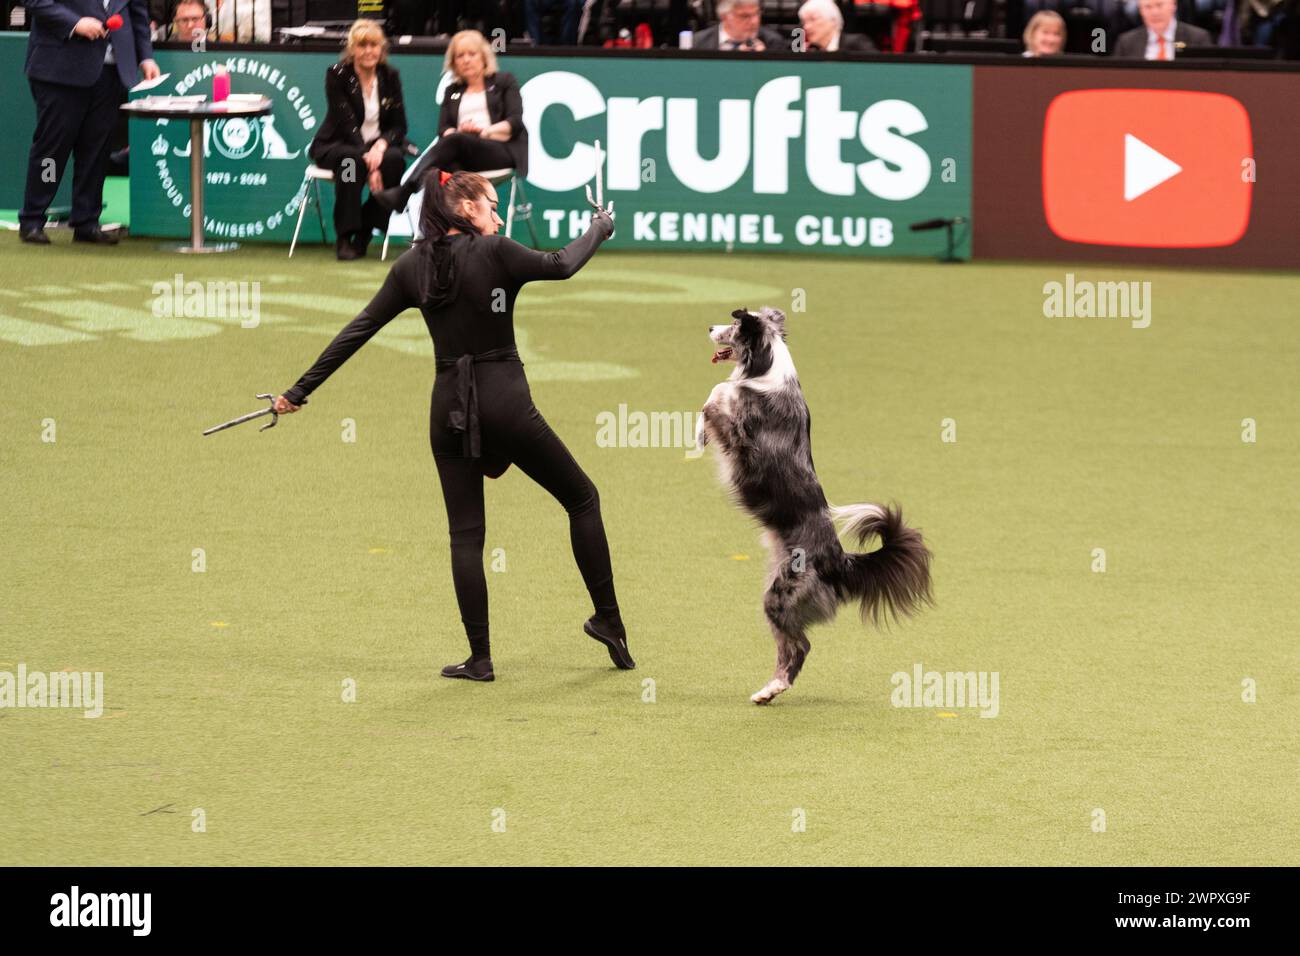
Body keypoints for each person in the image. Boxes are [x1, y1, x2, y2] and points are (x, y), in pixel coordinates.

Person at [275, 169, 633, 682]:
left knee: (466, 536)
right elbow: (562, 264)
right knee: (582, 499)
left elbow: (359, 329)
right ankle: (609, 620)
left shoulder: (411, 265)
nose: (498, 213)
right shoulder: (497, 252)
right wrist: (600, 226)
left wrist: (298, 391)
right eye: (491, 204)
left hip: (449, 412)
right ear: (465, 209)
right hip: (505, 403)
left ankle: (480, 658)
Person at [19, 0, 160, 245]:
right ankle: (33, 218)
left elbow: (137, 13)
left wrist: (145, 57)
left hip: (111, 73)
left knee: (96, 151)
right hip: (59, 68)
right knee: (52, 152)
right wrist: (75, 23)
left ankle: (86, 221)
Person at [374, 30, 528, 215]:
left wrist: (482, 131)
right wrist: (460, 130)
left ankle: (405, 192)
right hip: (464, 153)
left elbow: (515, 122)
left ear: (484, 57)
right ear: (453, 62)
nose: (466, 60)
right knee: (449, 168)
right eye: (460, 56)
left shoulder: (504, 81)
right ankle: (451, 236)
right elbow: (444, 130)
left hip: (500, 150)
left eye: (472, 54)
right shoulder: (452, 90)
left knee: (455, 142)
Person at [309, 19, 409, 260]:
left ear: (381, 49)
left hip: (377, 146)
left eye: (374, 45)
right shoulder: (337, 75)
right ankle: (345, 236)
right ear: (352, 49)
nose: (368, 51)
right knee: (351, 163)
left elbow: (398, 125)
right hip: (337, 144)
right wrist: (369, 159)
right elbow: (346, 124)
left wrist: (381, 146)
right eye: (362, 46)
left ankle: (366, 230)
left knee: (394, 161)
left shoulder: (390, 76)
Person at [1113, 0, 1212, 56]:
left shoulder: (1197, 38)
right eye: (1148, 7)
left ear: (1173, 5)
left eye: (1159, 5)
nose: (1155, 12)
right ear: (1140, 11)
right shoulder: (1126, 42)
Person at [691, 0, 790, 51]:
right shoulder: (699, 42)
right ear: (724, 16)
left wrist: (764, 59)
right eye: (744, 16)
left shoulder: (774, 42)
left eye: (756, 14)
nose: (754, 21)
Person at [797, 0, 876, 51]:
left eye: (813, 19)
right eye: (804, 22)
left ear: (832, 20)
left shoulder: (857, 44)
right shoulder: (810, 50)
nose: (806, 27)